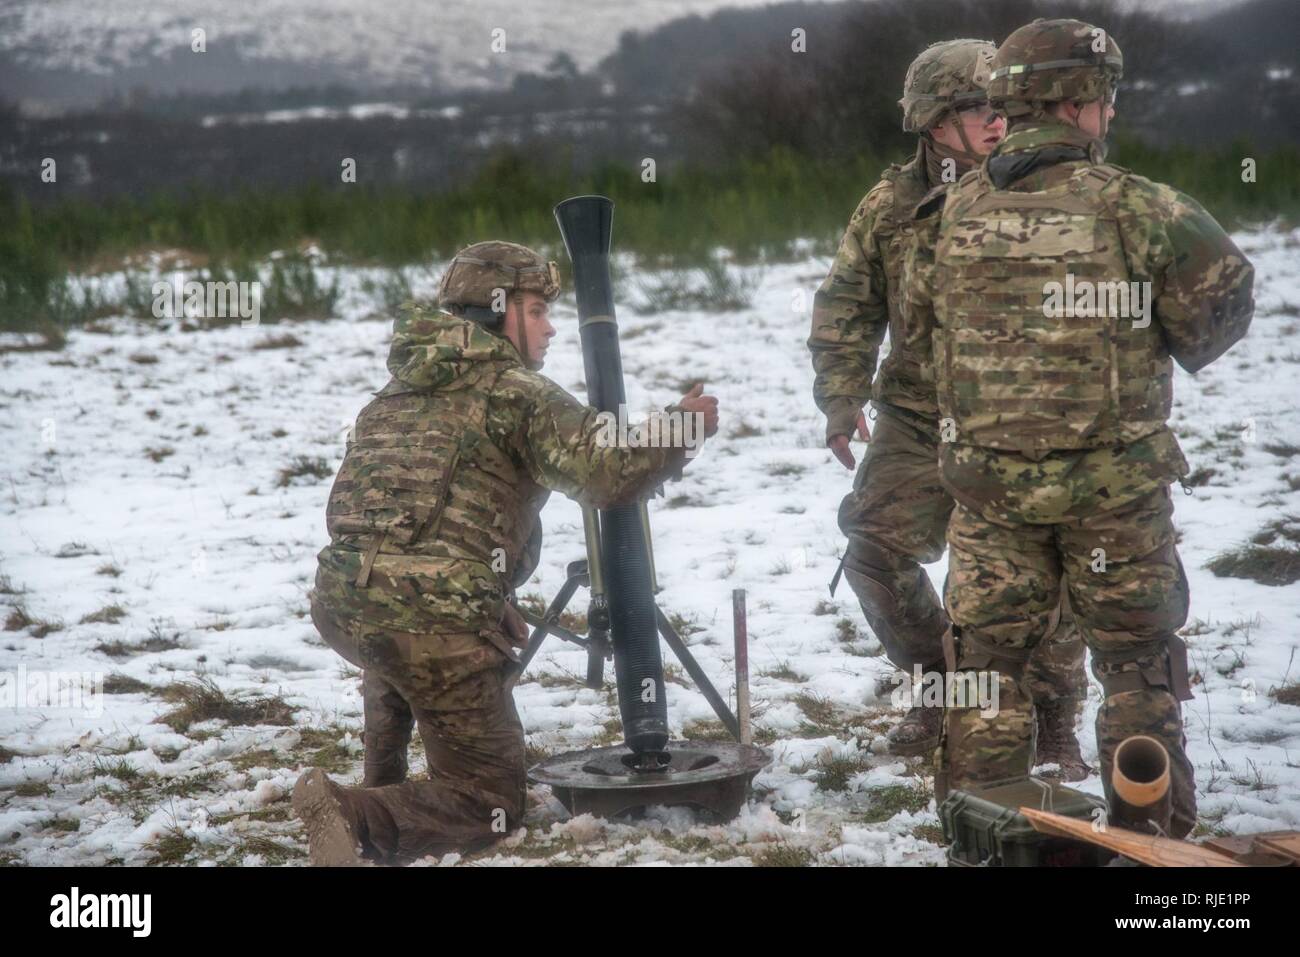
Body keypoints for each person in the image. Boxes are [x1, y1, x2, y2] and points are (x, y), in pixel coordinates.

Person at [910, 18, 1254, 836]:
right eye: (1104, 96)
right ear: (1076, 102)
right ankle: (1151, 858)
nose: (1110, 112)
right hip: (1116, 493)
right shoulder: (1141, 206)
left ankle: (987, 840)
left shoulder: (949, 211)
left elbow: (924, 334)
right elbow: (1220, 312)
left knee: (986, 671)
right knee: (1136, 667)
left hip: (989, 492)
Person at [294, 241, 719, 864]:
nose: (550, 328)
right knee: (490, 801)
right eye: (538, 310)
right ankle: (356, 814)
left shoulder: (393, 396)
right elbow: (604, 474)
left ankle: (376, 787)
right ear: (498, 312)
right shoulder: (517, 392)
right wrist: (679, 429)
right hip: (433, 621)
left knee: (391, 621)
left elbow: (396, 530)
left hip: (341, 604)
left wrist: (483, 595)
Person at [809, 39, 1088, 774]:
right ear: (933, 121)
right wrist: (841, 398)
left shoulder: (1035, 187)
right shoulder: (891, 207)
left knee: (1043, 565)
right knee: (874, 547)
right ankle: (939, 682)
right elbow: (847, 304)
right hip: (917, 415)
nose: (997, 121)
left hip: (1019, 415)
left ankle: (1055, 716)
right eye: (975, 108)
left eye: (1002, 106)